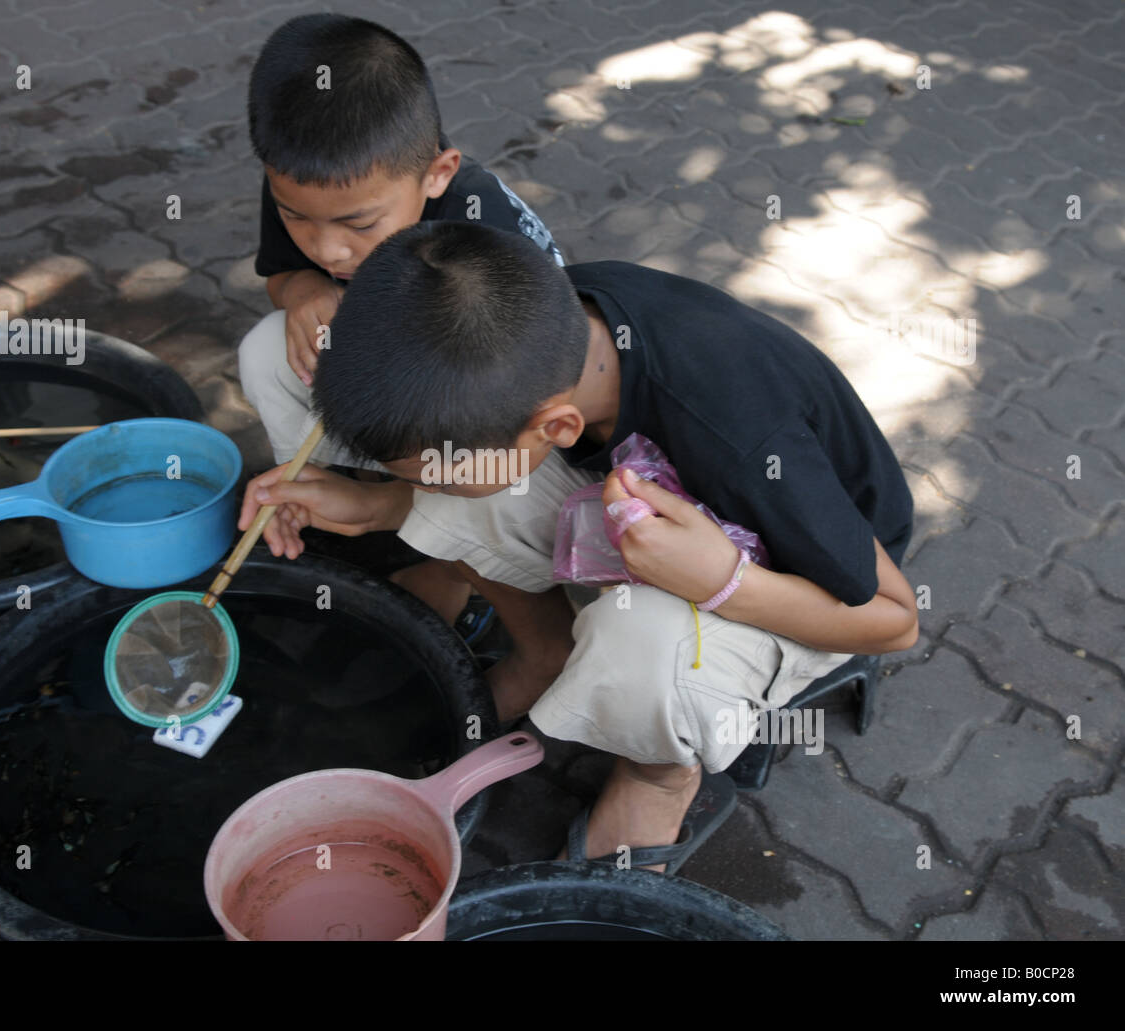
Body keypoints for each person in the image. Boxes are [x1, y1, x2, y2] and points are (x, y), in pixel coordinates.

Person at [239, 221, 919, 874]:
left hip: (804, 573)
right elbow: (467, 469)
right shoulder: (535, 323)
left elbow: (894, 620)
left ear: (557, 426)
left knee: (643, 635)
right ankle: (546, 649)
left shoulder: (741, 436)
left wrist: (721, 580)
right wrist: (374, 504)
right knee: (486, 484)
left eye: (431, 476)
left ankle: (656, 778)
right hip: (659, 505)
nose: (426, 488)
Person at [238, 12, 563, 635]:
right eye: (296, 217)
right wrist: (302, 289)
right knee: (264, 350)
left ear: (437, 174)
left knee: (478, 487)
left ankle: (456, 569)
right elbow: (282, 274)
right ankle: (321, 496)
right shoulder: (313, 182)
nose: (327, 249)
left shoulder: (482, 227)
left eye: (359, 226)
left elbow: (515, 411)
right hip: (391, 381)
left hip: (492, 414)